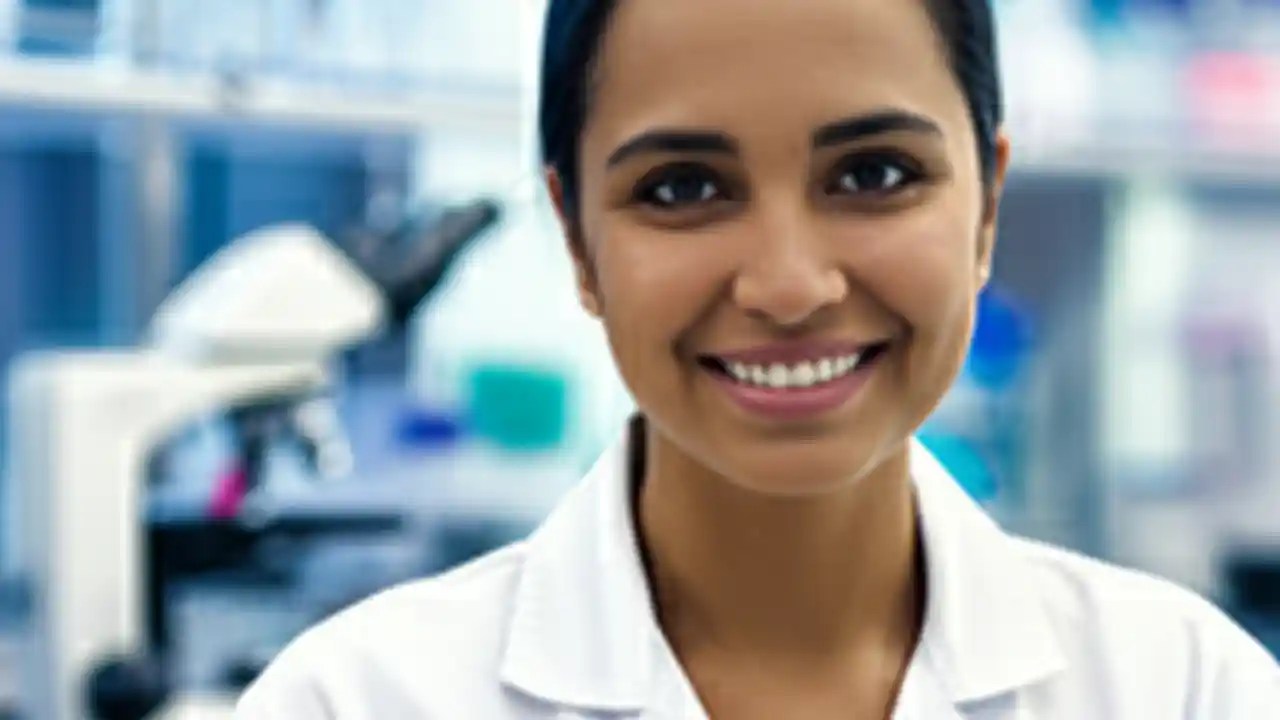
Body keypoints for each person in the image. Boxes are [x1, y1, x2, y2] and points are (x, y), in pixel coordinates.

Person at [236, 1, 1280, 717]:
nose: (787, 285)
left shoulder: (1184, 689)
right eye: (682, 188)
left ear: (986, 206)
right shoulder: (357, 700)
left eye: (872, 173)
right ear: (575, 242)